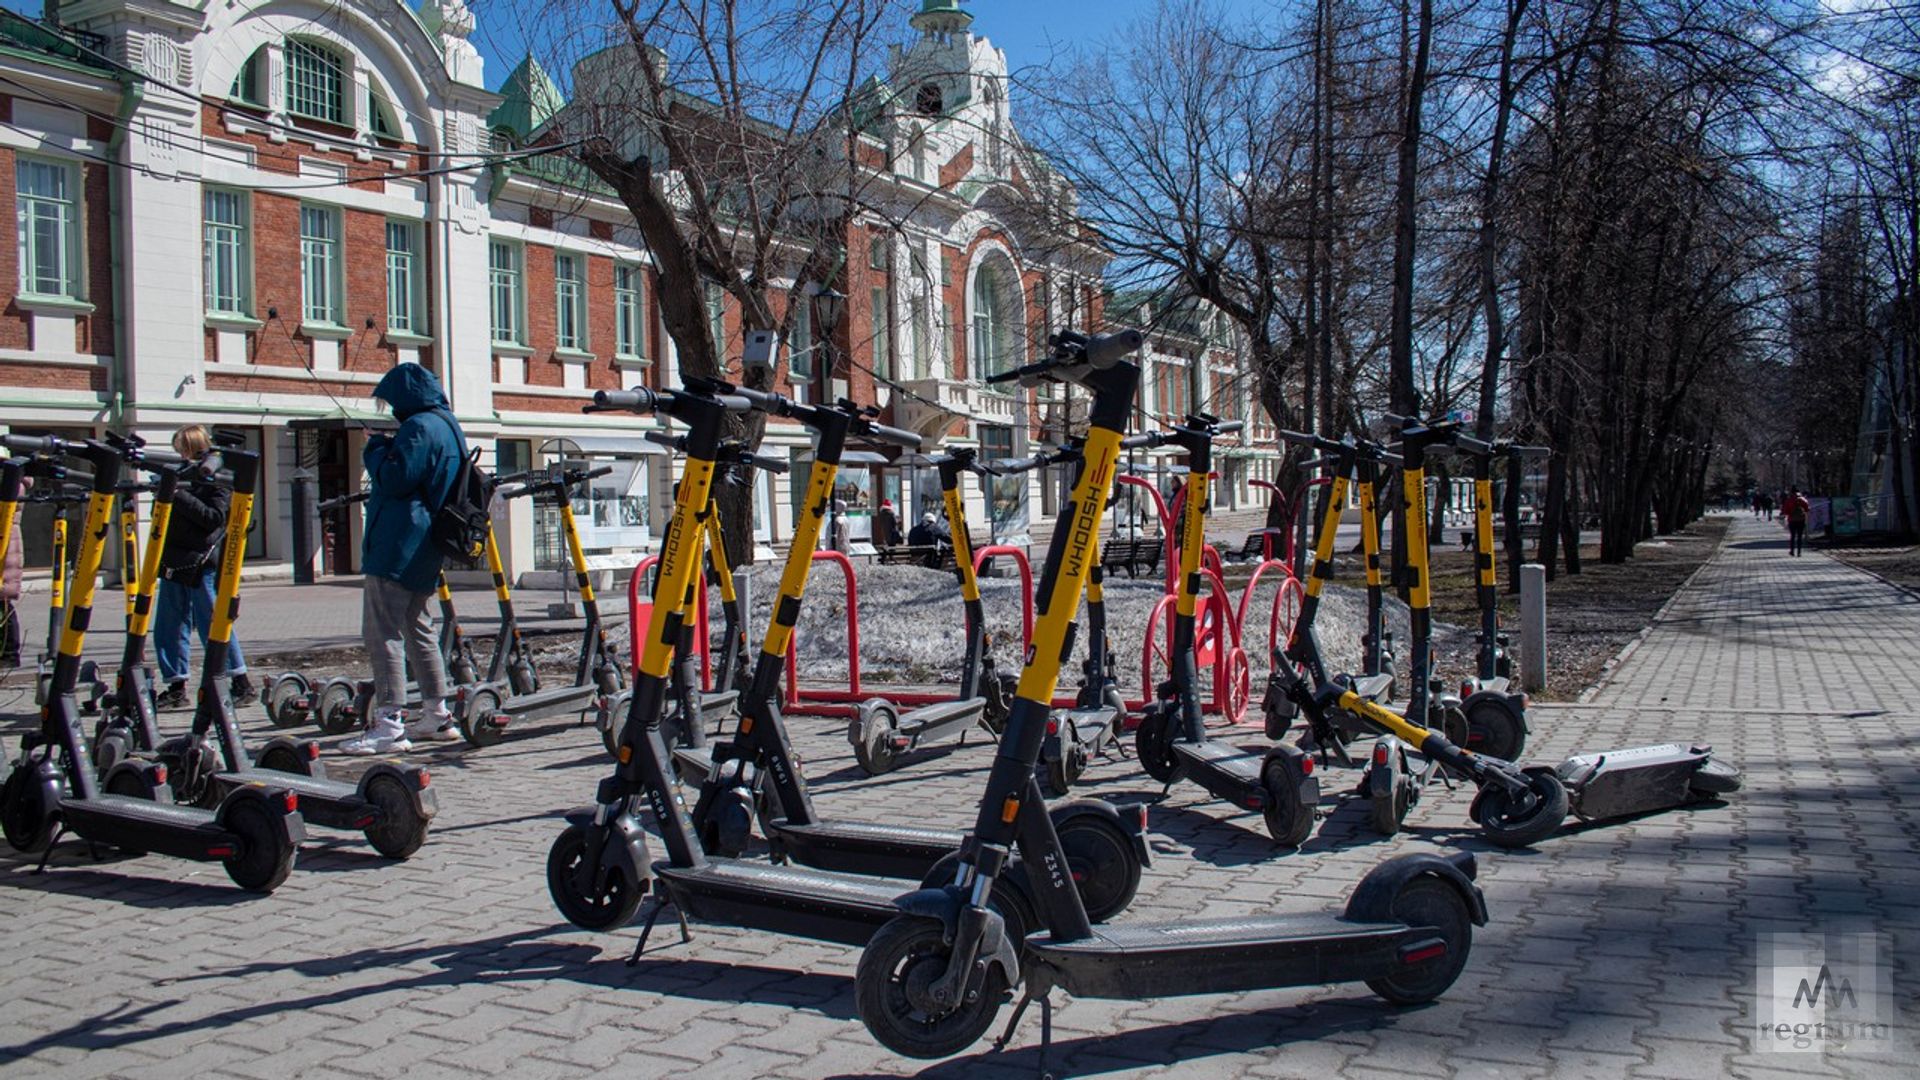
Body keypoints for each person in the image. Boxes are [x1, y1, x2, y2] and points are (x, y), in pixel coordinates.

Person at [343, 364, 467, 754]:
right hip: (427, 544)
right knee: (418, 626)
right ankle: (437, 712)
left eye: (389, 401)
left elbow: (396, 479)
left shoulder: (418, 428)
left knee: (383, 632)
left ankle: (389, 724)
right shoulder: (448, 425)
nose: (388, 408)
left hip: (399, 543)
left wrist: (376, 447)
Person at [152, 426, 255, 708]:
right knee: (168, 627)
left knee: (214, 624)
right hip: (174, 559)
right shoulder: (180, 474)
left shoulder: (217, 477)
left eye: (183, 450)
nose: (181, 456)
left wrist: (177, 496)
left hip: (201, 561)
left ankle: (239, 681)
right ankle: (175, 686)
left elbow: (213, 518)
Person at [2, 508, 21, 667]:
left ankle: (9, 654)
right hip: (7, 538)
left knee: (3, 602)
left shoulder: (12, 484)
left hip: (5, 539)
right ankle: (9, 653)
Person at [1784, 488, 1811, 556]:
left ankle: (1792, 551)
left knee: (1792, 536)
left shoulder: (1789, 500)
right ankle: (1799, 552)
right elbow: (1807, 509)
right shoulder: (1803, 500)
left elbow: (1786, 511)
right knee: (1800, 536)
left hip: (1792, 520)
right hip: (1801, 520)